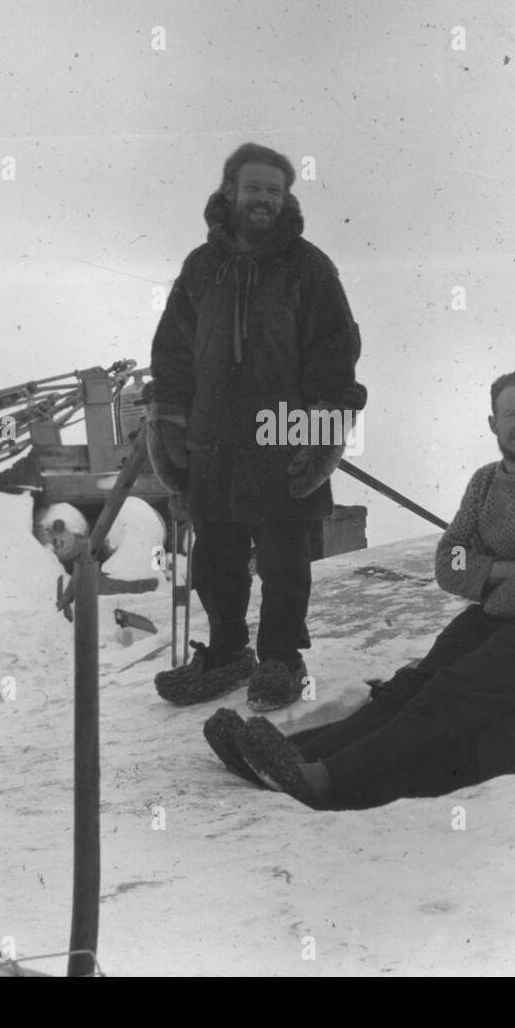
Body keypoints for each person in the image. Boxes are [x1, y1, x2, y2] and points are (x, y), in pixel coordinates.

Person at [204, 367, 515, 807]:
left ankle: (326, 778)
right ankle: (296, 754)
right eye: (512, 413)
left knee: (450, 690)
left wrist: (489, 575)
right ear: (492, 423)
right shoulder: (485, 482)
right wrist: (500, 569)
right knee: (411, 683)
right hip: (503, 613)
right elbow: (448, 562)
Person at [146, 143, 367, 710]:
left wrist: (325, 431)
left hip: (284, 438)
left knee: (283, 562)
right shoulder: (201, 268)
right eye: (254, 188)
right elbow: (171, 352)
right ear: (230, 194)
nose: (264, 199)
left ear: (285, 197)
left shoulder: (309, 267)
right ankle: (226, 655)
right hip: (212, 441)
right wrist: (168, 425)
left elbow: (335, 354)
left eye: (274, 190)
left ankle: (279, 661)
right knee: (214, 560)